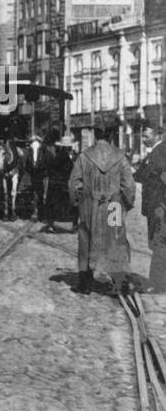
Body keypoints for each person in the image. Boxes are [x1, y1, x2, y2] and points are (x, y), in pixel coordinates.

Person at [70, 114, 136, 295]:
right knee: (115, 239)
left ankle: (85, 284)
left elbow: (74, 184)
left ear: (95, 134)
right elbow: (129, 187)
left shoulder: (84, 157)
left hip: (89, 206)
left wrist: (78, 203)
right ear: (113, 135)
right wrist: (126, 205)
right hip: (113, 207)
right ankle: (119, 283)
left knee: (86, 240)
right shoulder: (121, 157)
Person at [135, 125, 166, 291]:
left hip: (158, 207)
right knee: (157, 244)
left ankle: (157, 284)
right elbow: (141, 175)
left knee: (158, 244)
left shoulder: (160, 152)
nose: (143, 139)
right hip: (155, 206)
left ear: (156, 136)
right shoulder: (154, 152)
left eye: (146, 136)